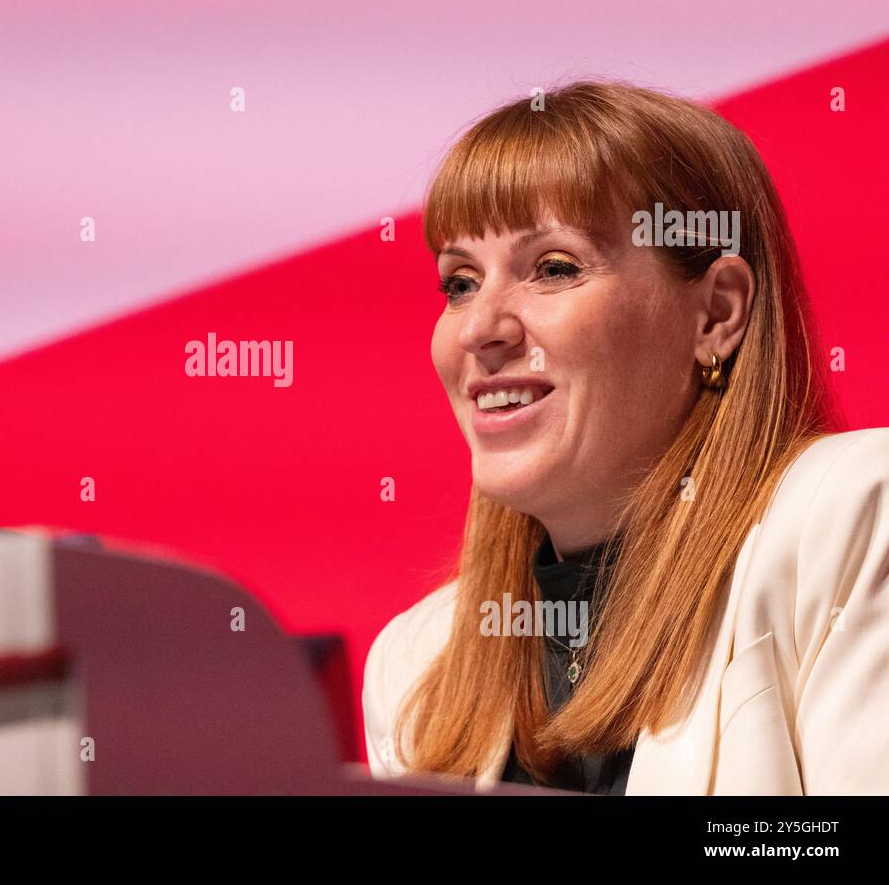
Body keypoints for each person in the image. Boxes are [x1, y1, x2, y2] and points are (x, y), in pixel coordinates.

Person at [363, 81, 888, 795]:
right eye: (459, 283)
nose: (480, 328)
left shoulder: (854, 513)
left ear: (716, 315)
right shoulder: (416, 664)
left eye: (553, 268)